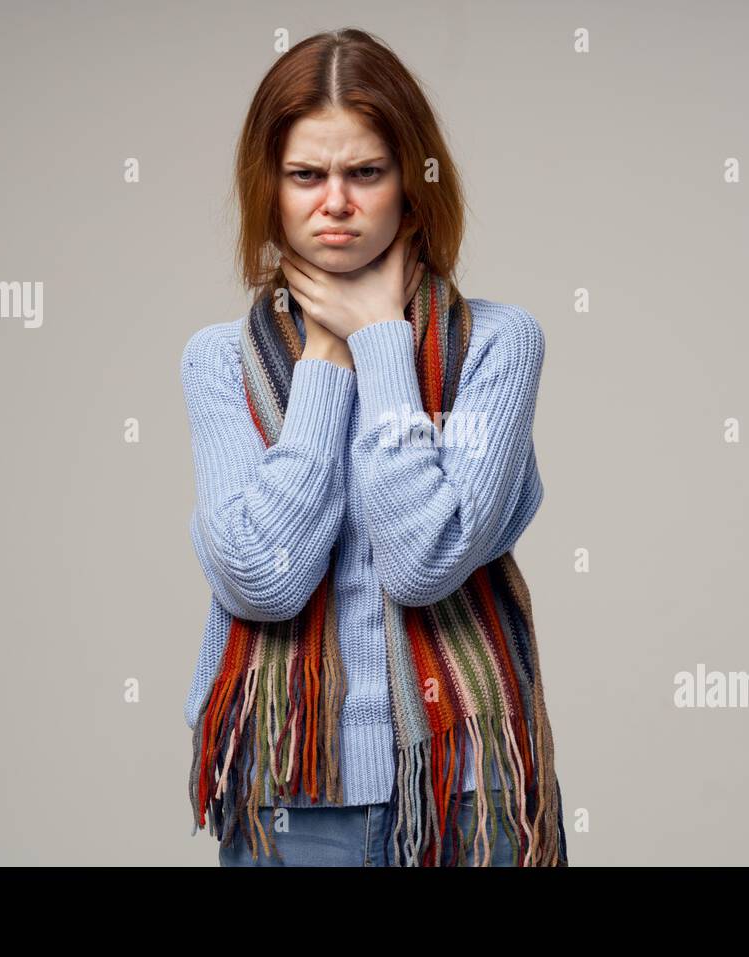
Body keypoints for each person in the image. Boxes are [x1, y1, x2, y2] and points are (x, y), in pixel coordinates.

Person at [182, 27, 568, 867]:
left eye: (365, 172)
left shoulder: (499, 346)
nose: (336, 203)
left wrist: (384, 344)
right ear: (270, 188)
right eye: (306, 175)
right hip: (292, 789)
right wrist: (326, 361)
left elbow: (421, 559)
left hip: (468, 791)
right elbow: (262, 574)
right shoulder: (220, 361)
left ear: (413, 183)